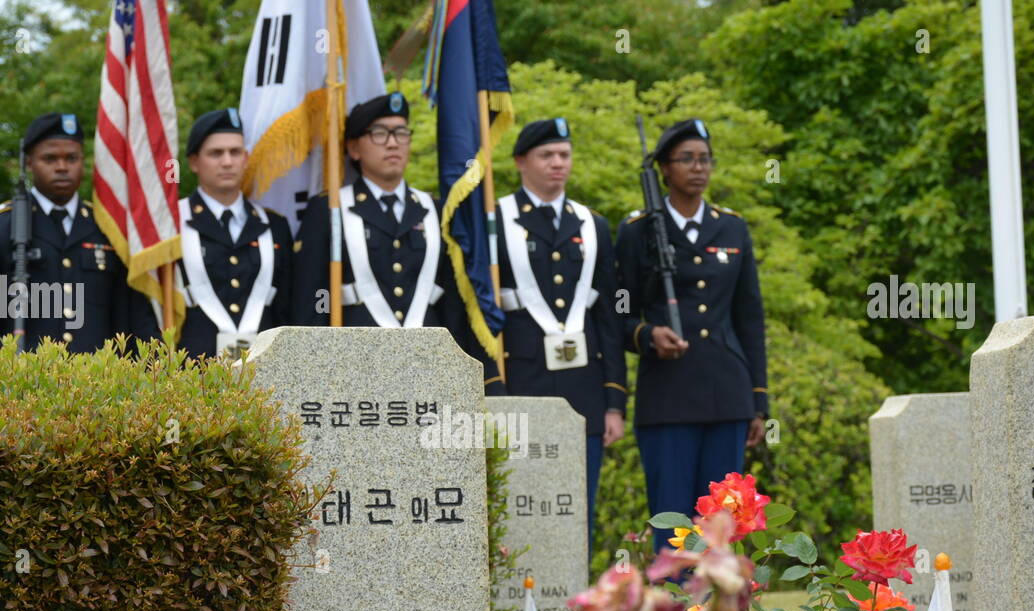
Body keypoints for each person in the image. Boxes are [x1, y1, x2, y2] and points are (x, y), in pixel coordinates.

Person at [616, 118, 768, 552]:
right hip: (668, 397)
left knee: (724, 522)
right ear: (664, 167)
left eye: (705, 159)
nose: (698, 168)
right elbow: (618, 309)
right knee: (673, 523)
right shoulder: (637, 229)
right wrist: (647, 335)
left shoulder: (732, 228)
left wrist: (758, 401)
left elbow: (749, 318)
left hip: (727, 394)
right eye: (686, 159)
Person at [292, 92, 500, 384]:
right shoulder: (330, 210)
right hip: (353, 366)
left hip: (430, 365)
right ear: (353, 148)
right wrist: (313, 366)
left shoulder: (437, 210)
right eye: (379, 134)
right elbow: (314, 296)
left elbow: (453, 300)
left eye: (401, 132)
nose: (392, 142)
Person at [493, 117, 626, 542]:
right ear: (520, 162)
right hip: (519, 385)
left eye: (564, 155)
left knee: (575, 515)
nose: (557, 163)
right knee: (516, 512)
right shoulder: (496, 221)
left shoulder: (593, 226)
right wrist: (491, 393)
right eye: (546, 155)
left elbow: (608, 317)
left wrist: (614, 402)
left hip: (583, 392)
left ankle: (573, 607)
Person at [0, 112, 156, 352]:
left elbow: (133, 318)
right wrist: (4, 374)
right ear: (29, 163)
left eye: (71, 158)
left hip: (99, 384)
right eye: (50, 159)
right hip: (26, 384)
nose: (62, 167)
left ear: (83, 160)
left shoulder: (108, 227)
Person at [173, 108, 295, 361]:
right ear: (194, 162)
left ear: (246, 158)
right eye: (216, 153)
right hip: (192, 374)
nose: (227, 162)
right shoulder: (172, 224)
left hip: (266, 374)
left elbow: (287, 305)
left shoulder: (274, 225)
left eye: (235, 152)